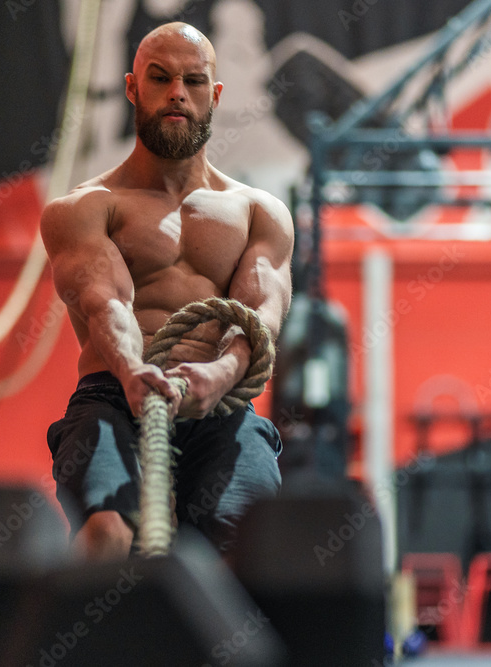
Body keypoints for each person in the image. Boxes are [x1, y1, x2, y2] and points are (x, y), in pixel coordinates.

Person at [41, 22, 293, 560]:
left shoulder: (258, 212)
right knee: (109, 535)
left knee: (250, 551)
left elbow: (259, 316)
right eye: (160, 78)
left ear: (214, 95)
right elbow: (105, 299)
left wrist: (221, 374)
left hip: (220, 406)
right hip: (113, 395)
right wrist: (133, 371)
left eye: (194, 81)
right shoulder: (84, 208)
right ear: (133, 87)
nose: (178, 91)